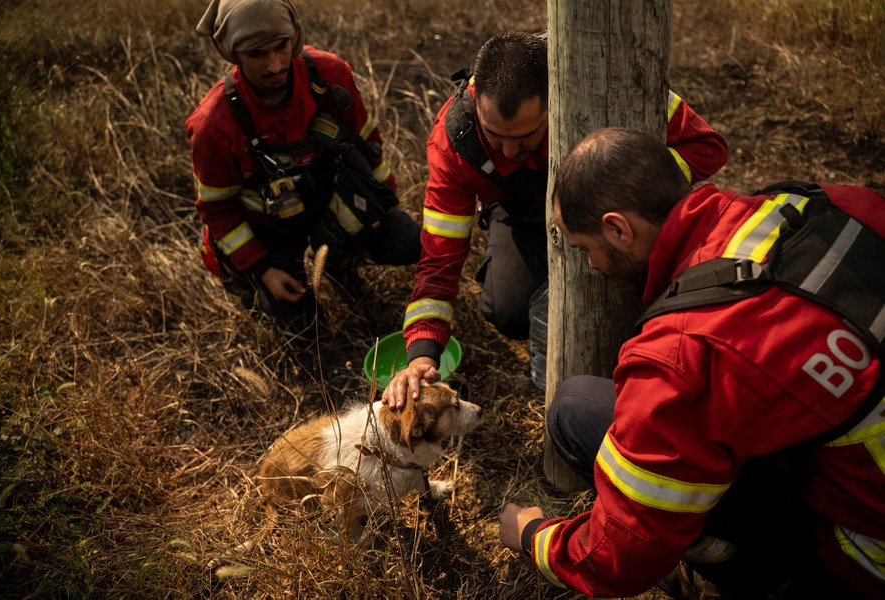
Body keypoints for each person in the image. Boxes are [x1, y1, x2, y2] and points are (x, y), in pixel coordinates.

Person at [499, 127, 885, 599]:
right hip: (855, 473)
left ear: (619, 229)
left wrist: (531, 535)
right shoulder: (830, 205)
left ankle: (764, 581)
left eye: (585, 249)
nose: (593, 265)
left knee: (576, 407)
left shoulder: (684, 350)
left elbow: (618, 558)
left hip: (863, 555)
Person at [382, 31, 729, 408]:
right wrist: (422, 352)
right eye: (495, 138)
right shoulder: (455, 138)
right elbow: (439, 256)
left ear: (557, 100)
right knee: (510, 311)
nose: (510, 151)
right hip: (523, 211)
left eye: (526, 136)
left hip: (608, 205)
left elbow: (707, 147)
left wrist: (628, 187)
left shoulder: (607, 86)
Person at [187, 0, 421, 329]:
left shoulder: (329, 75)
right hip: (268, 232)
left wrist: (389, 203)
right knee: (303, 329)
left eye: (281, 47)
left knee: (408, 239)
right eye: (256, 54)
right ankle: (250, 286)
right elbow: (217, 210)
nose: (274, 65)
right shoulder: (214, 123)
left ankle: (340, 262)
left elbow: (368, 147)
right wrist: (262, 268)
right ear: (233, 53)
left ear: (294, 37)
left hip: (327, 211)